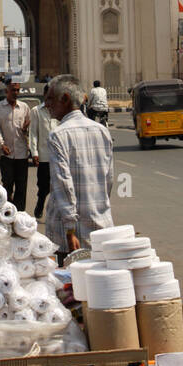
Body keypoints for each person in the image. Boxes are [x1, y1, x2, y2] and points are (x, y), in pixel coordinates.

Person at [43, 74, 113, 260]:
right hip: (100, 227)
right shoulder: (102, 131)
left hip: (69, 235)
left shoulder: (58, 135)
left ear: (65, 99)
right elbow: (108, 181)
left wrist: (70, 229)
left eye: (50, 99)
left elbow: (62, 184)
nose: (46, 105)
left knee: (71, 285)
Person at [0, 79, 32, 210]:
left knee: (21, 186)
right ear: (6, 91)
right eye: (13, 90)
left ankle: (19, 214)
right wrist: (1, 145)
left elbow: (30, 130)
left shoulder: (24, 107)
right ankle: (6, 211)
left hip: (22, 153)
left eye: (18, 90)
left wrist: (26, 129)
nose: (16, 93)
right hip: (6, 154)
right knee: (7, 185)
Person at [29, 84, 57, 220]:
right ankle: (40, 203)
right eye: (48, 96)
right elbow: (33, 133)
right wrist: (34, 152)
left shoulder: (59, 111)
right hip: (44, 155)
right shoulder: (36, 111)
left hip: (59, 156)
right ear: (44, 95)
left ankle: (54, 213)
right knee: (43, 187)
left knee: (58, 187)